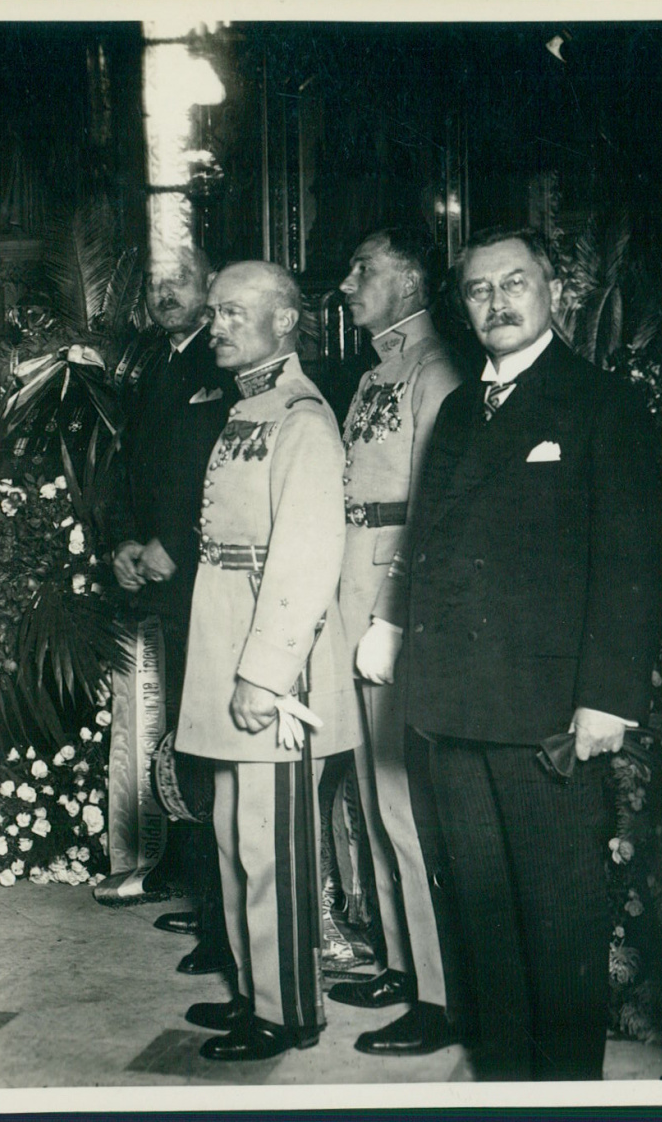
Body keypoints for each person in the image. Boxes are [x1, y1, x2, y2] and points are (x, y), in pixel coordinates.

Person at [362, 226, 662, 1080]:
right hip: (454, 707)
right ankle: (500, 1082)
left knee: (560, 918)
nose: (496, 304)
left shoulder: (600, 403)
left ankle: (566, 1088)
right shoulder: (459, 409)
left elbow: (632, 564)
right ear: (462, 306)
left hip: (547, 717)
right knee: (484, 914)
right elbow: (428, 546)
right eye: (479, 291)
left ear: (552, 293)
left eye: (514, 284)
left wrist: (606, 701)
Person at [174, 262, 359, 1061]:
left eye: (236, 313)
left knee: (271, 842)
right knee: (230, 828)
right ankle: (254, 989)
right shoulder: (250, 404)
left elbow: (307, 556)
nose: (218, 325)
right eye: (214, 312)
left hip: (273, 664)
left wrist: (266, 672)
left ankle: (288, 1011)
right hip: (225, 635)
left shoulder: (302, 418)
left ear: (286, 321)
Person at [329, 229, 466, 1055]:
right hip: (350, 590)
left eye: (363, 269)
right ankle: (399, 960)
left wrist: (391, 614)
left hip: (391, 601)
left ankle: (442, 993)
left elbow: (431, 512)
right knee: (371, 798)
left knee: (404, 801)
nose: (347, 284)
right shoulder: (377, 371)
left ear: (412, 281)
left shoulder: (436, 372)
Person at [110, 245, 236, 983]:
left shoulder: (219, 366)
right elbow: (130, 463)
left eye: (178, 282)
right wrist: (125, 540)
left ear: (209, 291)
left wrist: (173, 546)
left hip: (202, 574)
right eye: (155, 284)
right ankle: (199, 887)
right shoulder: (155, 367)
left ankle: (219, 903)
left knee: (207, 733)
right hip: (157, 573)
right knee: (185, 734)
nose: (164, 294)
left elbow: (223, 477)